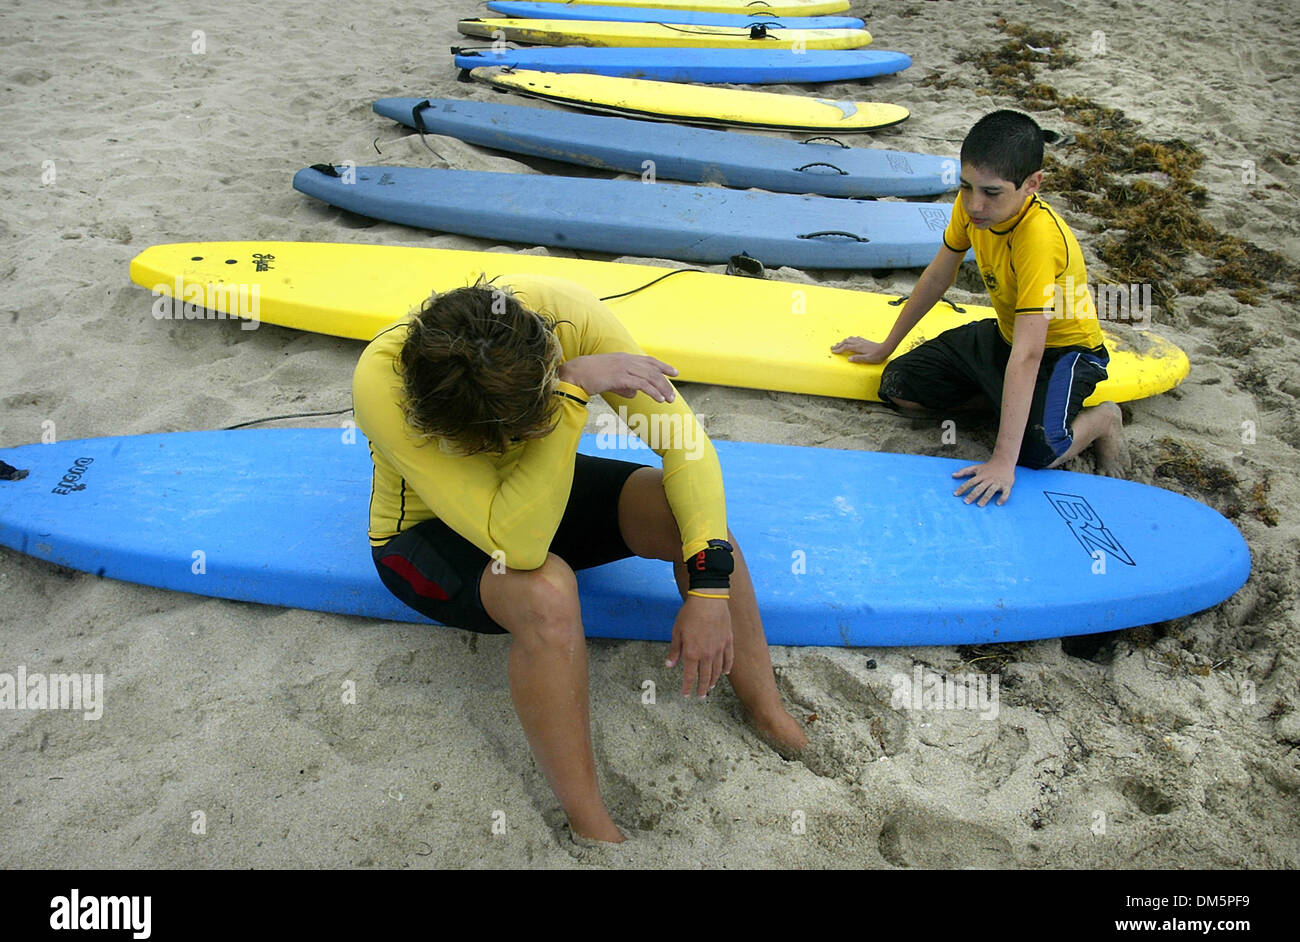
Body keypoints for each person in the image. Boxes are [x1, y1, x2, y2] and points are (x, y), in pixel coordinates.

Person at [352, 274, 808, 845]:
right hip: (428, 534)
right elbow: (517, 547)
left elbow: (687, 448)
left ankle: (768, 712)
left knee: (694, 524)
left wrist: (710, 589)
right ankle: (590, 822)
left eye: (525, 426)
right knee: (547, 591)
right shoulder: (383, 378)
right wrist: (572, 390)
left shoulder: (570, 317)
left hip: (534, 489)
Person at [831, 109, 1129, 506]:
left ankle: (1104, 419)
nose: (975, 204)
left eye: (991, 192)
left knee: (1034, 453)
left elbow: (1029, 354)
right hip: (1004, 337)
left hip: (1064, 354)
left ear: (1032, 184)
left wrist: (1003, 460)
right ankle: (1006, 406)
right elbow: (938, 277)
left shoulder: (1038, 238)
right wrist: (886, 346)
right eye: (966, 185)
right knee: (898, 385)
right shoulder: (971, 208)